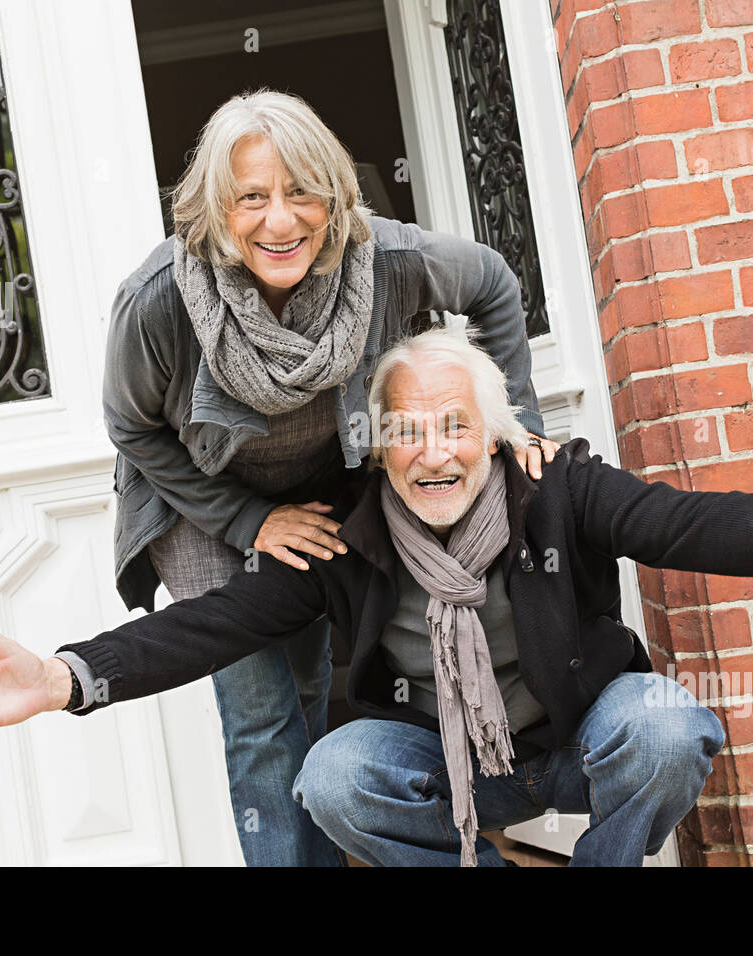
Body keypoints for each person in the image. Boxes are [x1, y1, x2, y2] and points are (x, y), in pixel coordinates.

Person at [0, 329, 753, 866]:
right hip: (455, 776)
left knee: (666, 724)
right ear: (377, 445)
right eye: (408, 431)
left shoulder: (558, 488)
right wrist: (66, 677)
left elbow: (685, 523)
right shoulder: (346, 535)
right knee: (334, 775)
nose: (434, 453)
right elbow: (212, 624)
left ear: (496, 433)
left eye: (456, 427)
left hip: (581, 743)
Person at [102, 88, 557, 866]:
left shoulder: (386, 260)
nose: (280, 221)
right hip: (202, 501)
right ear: (216, 206)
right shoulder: (160, 301)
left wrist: (517, 423)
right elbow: (129, 425)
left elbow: (492, 284)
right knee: (258, 705)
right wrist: (247, 521)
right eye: (252, 197)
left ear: (335, 195)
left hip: (316, 486)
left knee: (308, 682)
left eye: (302, 192)